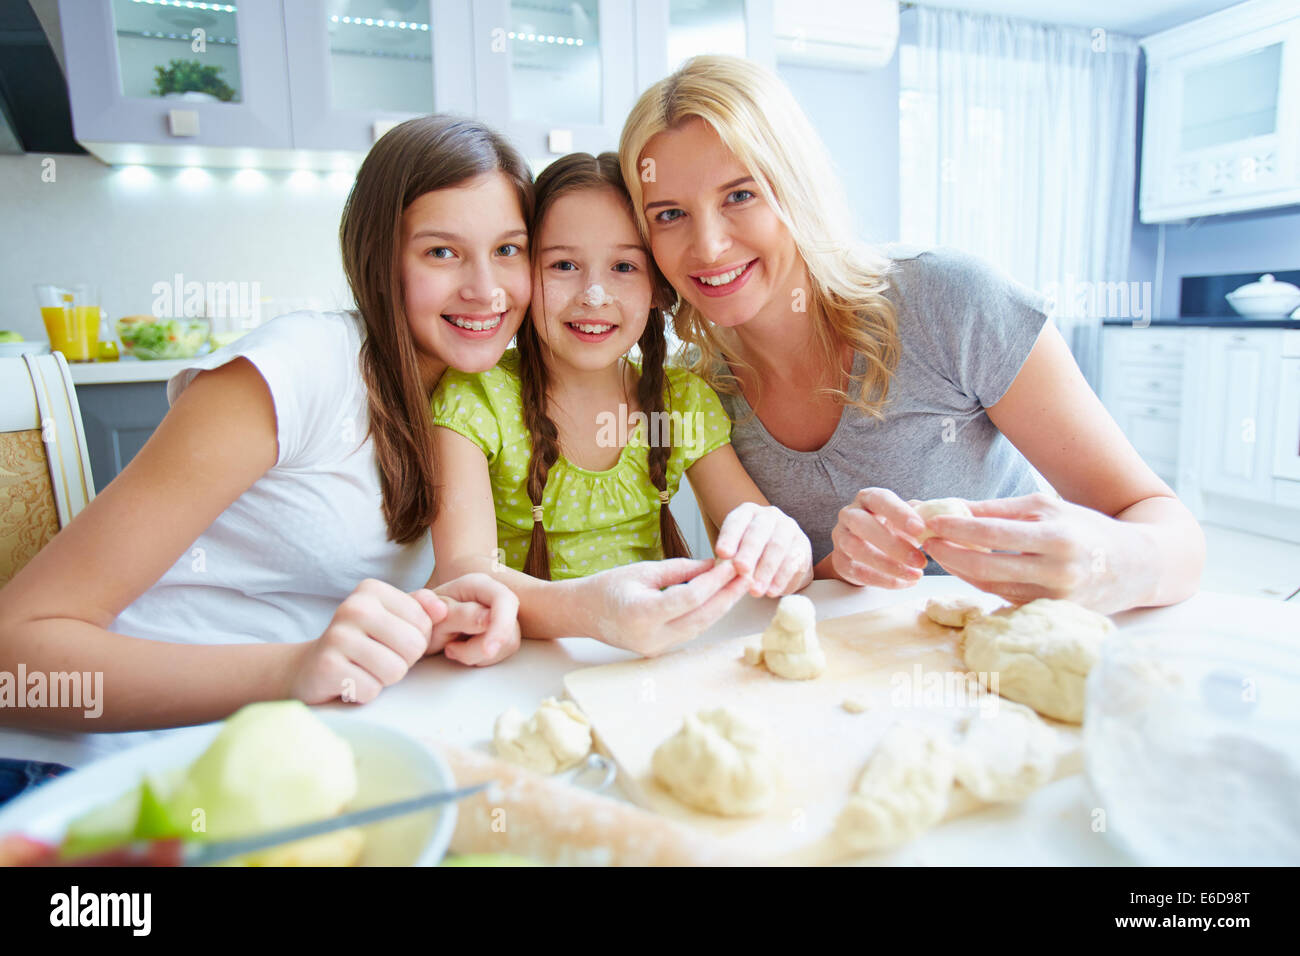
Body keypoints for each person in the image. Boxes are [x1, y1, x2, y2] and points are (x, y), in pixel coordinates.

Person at [0, 117, 744, 790]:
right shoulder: (296, 372)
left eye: (508, 251)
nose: (485, 289)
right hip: (82, 775)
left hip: (283, 760)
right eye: (442, 252)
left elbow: (459, 581)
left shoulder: (474, 395)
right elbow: (16, 659)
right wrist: (293, 668)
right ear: (379, 257)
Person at [618, 56, 1204, 615]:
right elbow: (774, 598)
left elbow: (1164, 526)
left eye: (740, 195)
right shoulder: (698, 390)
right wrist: (839, 567)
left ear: (796, 187)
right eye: (669, 214)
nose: (709, 246)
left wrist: (1108, 561)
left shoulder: (952, 300)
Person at [429, 152, 812, 602]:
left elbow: (776, 560)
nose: (594, 295)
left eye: (624, 267)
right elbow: (463, 578)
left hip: (647, 660)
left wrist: (784, 548)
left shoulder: (681, 402)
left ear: (658, 287)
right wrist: (598, 613)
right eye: (564, 266)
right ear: (526, 273)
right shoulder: (477, 398)